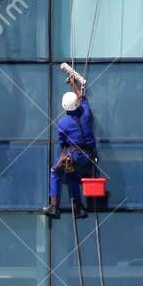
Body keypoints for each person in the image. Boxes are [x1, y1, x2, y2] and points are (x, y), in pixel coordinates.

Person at [44, 63, 98, 219]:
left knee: (55, 171)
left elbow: (62, 143)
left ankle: (54, 206)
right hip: (88, 157)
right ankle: (78, 207)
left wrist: (64, 154)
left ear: (65, 107)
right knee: (72, 175)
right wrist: (74, 83)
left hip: (73, 155)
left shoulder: (63, 123)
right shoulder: (86, 113)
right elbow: (81, 98)